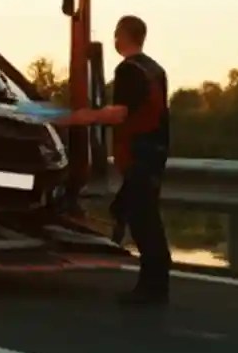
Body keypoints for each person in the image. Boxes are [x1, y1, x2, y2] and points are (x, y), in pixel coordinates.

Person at [56, 15, 171, 306]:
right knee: (135, 210)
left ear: (123, 35)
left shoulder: (128, 70)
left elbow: (121, 113)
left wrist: (86, 117)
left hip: (137, 150)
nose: (114, 40)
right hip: (156, 150)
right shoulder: (156, 70)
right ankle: (154, 282)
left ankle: (152, 287)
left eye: (116, 35)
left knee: (142, 218)